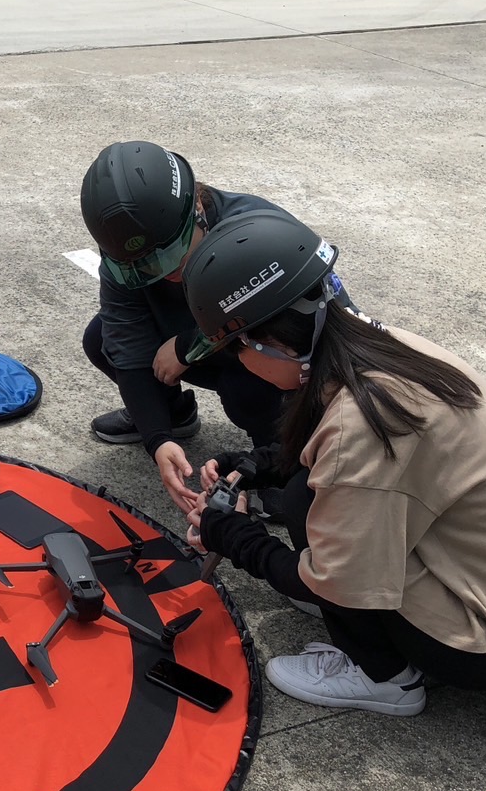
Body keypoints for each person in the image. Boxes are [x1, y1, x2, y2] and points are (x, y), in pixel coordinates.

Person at [180, 209, 486, 720]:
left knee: (313, 515)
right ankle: (377, 634)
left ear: (271, 343)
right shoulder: (381, 348)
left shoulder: (364, 425)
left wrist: (230, 535)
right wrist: (260, 463)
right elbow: (339, 459)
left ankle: (384, 678)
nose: (238, 363)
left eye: (236, 350)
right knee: (307, 493)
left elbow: (336, 576)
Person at [79, 141, 353, 516]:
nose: (162, 273)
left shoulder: (257, 234)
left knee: (248, 385)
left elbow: (318, 337)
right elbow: (126, 342)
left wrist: (188, 347)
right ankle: (174, 416)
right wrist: (157, 438)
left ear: (198, 210)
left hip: (268, 353)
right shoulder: (125, 264)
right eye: (141, 268)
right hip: (216, 335)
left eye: (170, 256)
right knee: (101, 338)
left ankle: (283, 459)